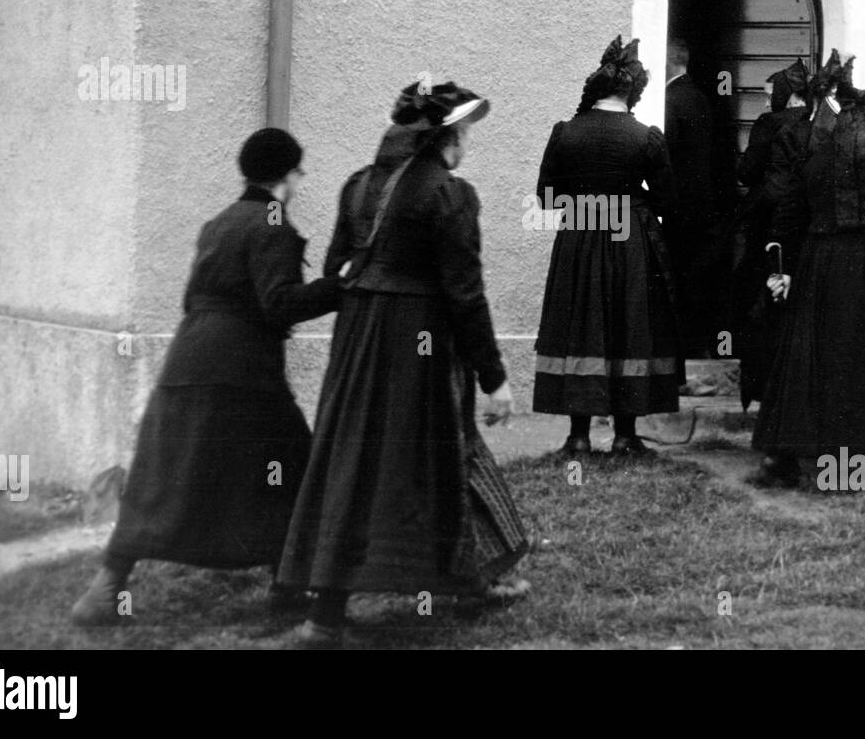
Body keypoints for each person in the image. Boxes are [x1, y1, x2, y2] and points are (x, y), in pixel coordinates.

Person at [277, 81, 529, 648]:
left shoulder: (358, 187)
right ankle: (468, 578)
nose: (467, 143)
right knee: (441, 450)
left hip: (358, 339)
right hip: (420, 342)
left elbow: (340, 266)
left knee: (353, 458)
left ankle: (327, 614)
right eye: (465, 133)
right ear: (448, 137)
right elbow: (465, 293)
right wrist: (495, 379)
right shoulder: (450, 194)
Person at [71, 128, 341, 626]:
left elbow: (192, 299)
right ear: (287, 174)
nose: (300, 180)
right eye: (298, 170)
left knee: (162, 477)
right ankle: (287, 587)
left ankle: (104, 589)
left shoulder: (217, 223)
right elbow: (278, 304)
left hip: (186, 363)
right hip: (243, 375)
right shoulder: (273, 222)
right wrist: (339, 287)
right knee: (294, 466)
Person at [753, 90, 865, 488]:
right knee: (858, 358)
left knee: (809, 357)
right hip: (864, 270)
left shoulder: (815, 161)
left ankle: (784, 458)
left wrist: (781, 271)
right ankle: (852, 464)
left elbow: (786, 220)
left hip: (817, 267)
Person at [533, 35, 681, 456]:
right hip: (630, 240)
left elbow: (546, 198)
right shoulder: (646, 137)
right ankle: (624, 436)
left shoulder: (565, 133)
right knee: (629, 327)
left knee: (582, 326)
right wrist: (635, 203)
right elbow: (670, 200)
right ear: (633, 92)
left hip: (578, 238)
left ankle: (578, 436)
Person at [731, 59, 813, 409]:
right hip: (807, 227)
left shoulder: (769, 125)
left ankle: (762, 389)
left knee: (761, 304)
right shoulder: (819, 122)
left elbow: (748, 173)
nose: (767, 102)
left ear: (786, 95)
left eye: (770, 95)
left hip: (768, 224)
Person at [663, 37, 721, 358]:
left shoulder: (670, 101)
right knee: (697, 284)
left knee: (678, 282)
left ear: (668, 61)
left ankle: (682, 352)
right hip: (703, 206)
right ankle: (701, 347)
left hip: (679, 207)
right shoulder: (699, 96)